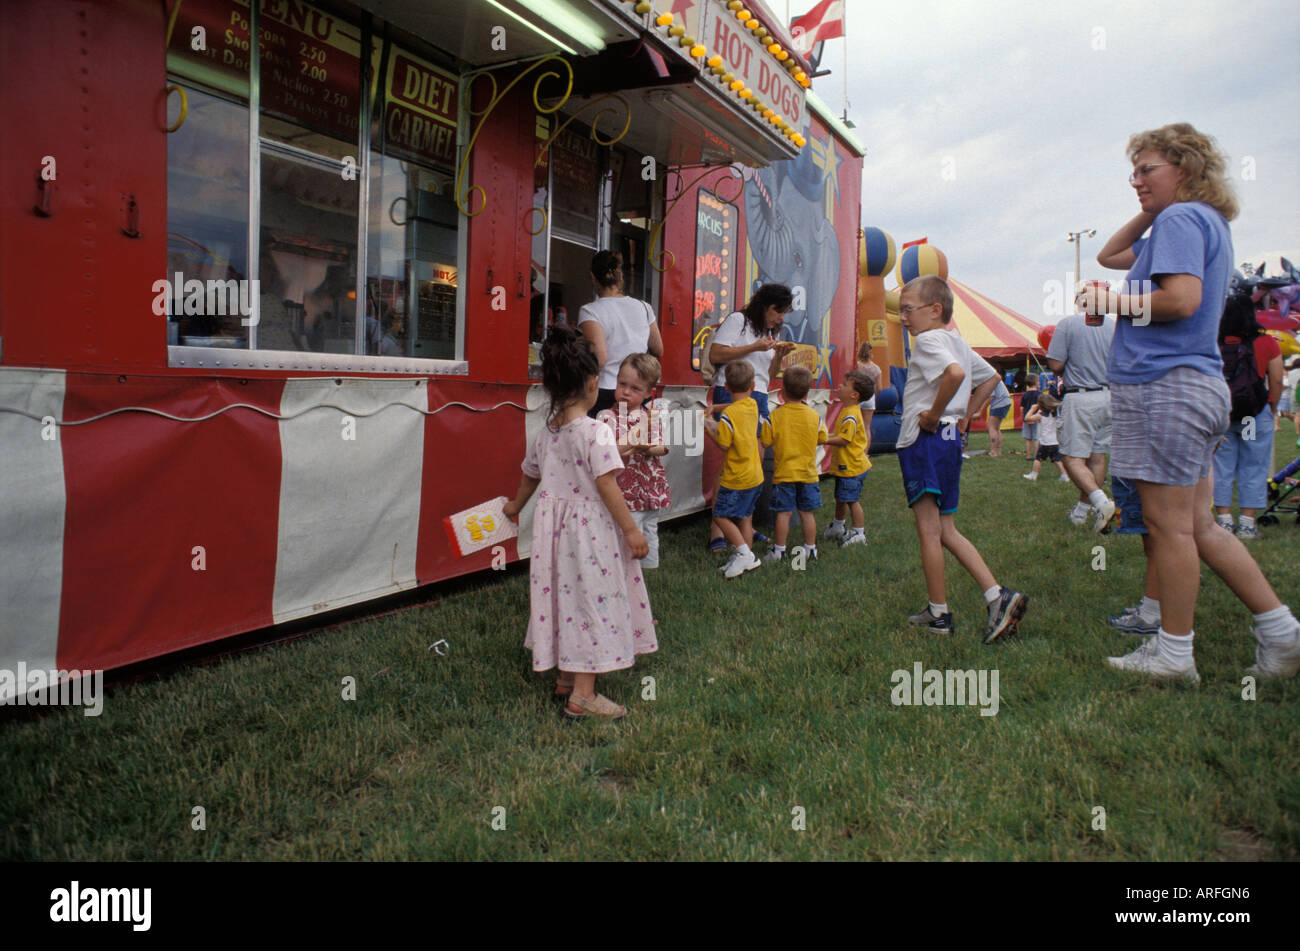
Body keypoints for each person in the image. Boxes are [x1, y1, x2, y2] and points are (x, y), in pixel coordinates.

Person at [1089, 121, 1300, 681]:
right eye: (1132, 172)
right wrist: (1155, 203)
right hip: (1193, 386)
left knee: (1171, 528)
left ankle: (1175, 655)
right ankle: (1281, 632)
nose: (1135, 181)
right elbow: (1111, 252)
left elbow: (1180, 300)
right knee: (1200, 525)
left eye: (1147, 170)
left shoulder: (1182, 218)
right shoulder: (1195, 220)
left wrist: (1112, 302)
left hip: (1166, 386)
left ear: (1184, 168)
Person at [502, 325, 655, 720]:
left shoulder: (548, 432)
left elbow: (529, 475)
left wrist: (514, 506)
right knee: (592, 602)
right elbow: (607, 485)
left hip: (553, 540)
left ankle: (566, 679)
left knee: (566, 599)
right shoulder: (596, 432)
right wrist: (632, 530)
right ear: (592, 384)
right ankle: (583, 696)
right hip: (591, 539)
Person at [896, 275, 1029, 642]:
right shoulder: (957, 341)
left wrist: (934, 413)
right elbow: (992, 377)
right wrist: (966, 413)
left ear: (935, 310)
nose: (903, 317)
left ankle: (940, 614)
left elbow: (954, 375)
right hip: (952, 439)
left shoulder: (928, 341)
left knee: (929, 530)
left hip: (926, 439)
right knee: (947, 529)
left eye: (908, 310)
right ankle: (996, 596)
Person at [705, 284, 796, 549]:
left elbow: (769, 373)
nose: (780, 318)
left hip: (758, 396)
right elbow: (716, 353)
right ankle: (717, 531)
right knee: (731, 462)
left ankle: (746, 524)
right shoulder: (739, 321)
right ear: (763, 305)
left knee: (753, 466)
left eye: (783, 313)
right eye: (776, 311)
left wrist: (778, 355)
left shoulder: (771, 331)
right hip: (730, 393)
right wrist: (754, 346)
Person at [1213, 293, 1283, 540]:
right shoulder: (1266, 343)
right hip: (1252, 416)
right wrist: (1272, 409)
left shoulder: (1214, 342)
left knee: (1221, 465)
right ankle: (1247, 522)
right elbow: (1276, 379)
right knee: (1253, 465)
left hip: (1223, 415)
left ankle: (1223, 520)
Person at [598, 353, 671, 568]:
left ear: (649, 393)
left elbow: (661, 446)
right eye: (622, 384)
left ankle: (648, 568)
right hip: (624, 492)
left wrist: (647, 448)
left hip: (649, 487)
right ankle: (629, 571)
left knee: (650, 528)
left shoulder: (650, 415)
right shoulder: (606, 416)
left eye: (635, 388)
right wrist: (636, 441)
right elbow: (612, 449)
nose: (626, 392)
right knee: (631, 530)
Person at [1048, 308, 1117, 532]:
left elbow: (1056, 365)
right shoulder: (1114, 325)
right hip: (1109, 395)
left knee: (1072, 458)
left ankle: (1102, 503)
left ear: (1080, 301)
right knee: (1097, 457)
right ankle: (1080, 513)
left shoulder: (1068, 323)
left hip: (1080, 396)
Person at [703, 361, 772, 579]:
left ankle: (743, 554)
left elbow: (724, 445)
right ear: (752, 385)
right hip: (755, 475)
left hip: (735, 478)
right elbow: (738, 405)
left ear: (726, 388)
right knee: (745, 518)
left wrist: (708, 426)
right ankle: (745, 555)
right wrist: (716, 408)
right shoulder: (752, 406)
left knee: (721, 515)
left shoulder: (728, 417)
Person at [578, 250, 663, 416]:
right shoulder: (644, 307)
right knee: (636, 438)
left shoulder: (590, 311)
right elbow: (658, 349)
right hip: (639, 391)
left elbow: (600, 359)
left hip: (607, 391)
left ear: (593, 278)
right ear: (620, 277)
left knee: (605, 440)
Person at [762, 365, 828, 564]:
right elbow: (822, 438)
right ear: (807, 392)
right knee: (807, 513)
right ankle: (810, 549)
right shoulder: (814, 416)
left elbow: (765, 441)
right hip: (808, 473)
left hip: (784, 475)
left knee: (783, 513)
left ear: (781, 392)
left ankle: (779, 551)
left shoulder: (775, 416)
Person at [1107, 474, 1163, 637]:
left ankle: (1151, 615)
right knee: (1153, 538)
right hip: (1141, 468)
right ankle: (1154, 605)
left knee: (1160, 539)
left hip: (1146, 468)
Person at [823, 369, 874, 547]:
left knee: (852, 499)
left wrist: (822, 439)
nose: (839, 386)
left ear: (854, 394)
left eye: (844, 385)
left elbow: (844, 440)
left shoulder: (851, 414)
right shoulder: (848, 410)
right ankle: (838, 526)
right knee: (841, 497)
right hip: (847, 465)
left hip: (852, 467)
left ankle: (859, 533)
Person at [1023, 392, 1069, 481]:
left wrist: (1032, 409)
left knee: (1038, 459)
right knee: (1056, 459)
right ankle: (1064, 476)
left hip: (1045, 443)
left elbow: (1027, 418)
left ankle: (1034, 474)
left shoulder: (1041, 416)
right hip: (1055, 442)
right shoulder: (1055, 415)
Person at [984, 379, 1012, 456]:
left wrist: (980, 411)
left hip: (999, 403)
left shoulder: (988, 378)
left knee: (991, 427)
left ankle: (993, 452)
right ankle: (998, 451)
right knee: (996, 428)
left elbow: (990, 397)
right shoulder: (992, 377)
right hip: (1004, 401)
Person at [1019, 373, 1041, 469]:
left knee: (1028, 438)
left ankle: (1028, 456)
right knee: (1036, 438)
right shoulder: (1040, 395)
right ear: (1036, 382)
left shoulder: (1025, 395)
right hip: (1036, 418)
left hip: (1026, 419)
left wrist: (1024, 417)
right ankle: (1036, 456)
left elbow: (1021, 408)